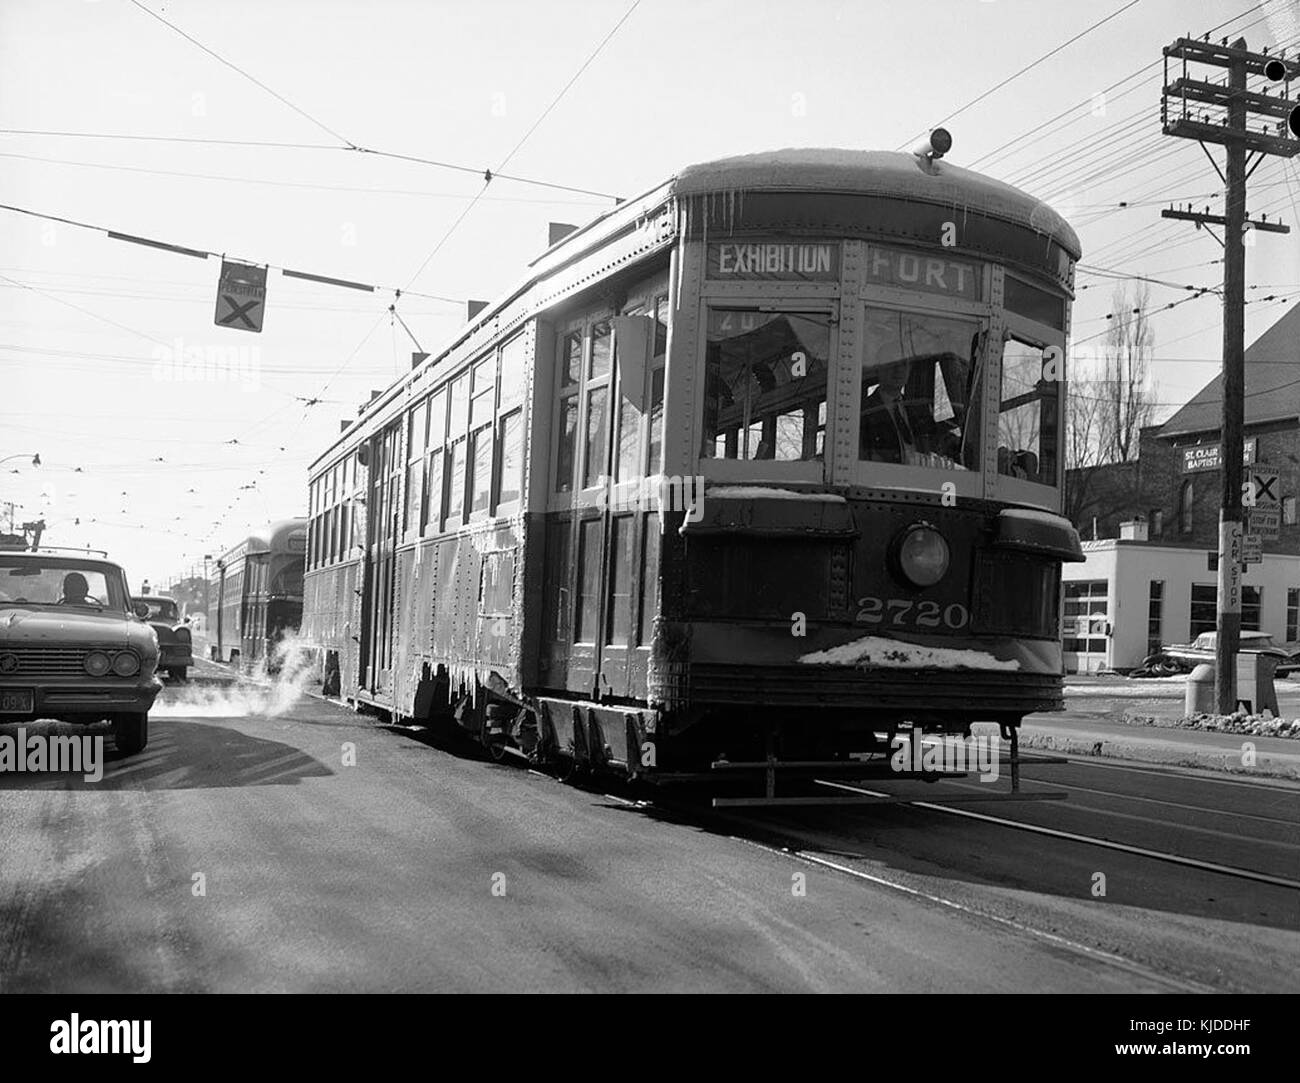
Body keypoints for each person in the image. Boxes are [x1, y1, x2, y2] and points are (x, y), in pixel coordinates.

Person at [859, 360, 958, 465]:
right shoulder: (864, 411)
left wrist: (953, 442)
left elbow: (935, 441)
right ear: (879, 369)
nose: (899, 369)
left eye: (904, 364)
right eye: (892, 364)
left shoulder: (919, 410)